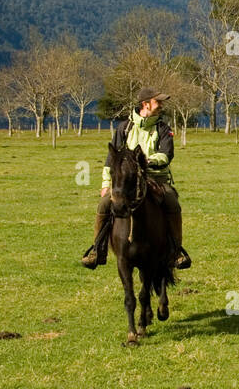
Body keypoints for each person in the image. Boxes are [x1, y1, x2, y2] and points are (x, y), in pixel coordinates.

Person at [80, 87, 192, 269]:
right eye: (158, 102)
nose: (161, 105)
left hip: (156, 178)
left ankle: (175, 251)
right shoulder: (124, 128)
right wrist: (106, 184)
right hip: (127, 182)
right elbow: (112, 159)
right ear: (145, 104)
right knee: (104, 204)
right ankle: (97, 250)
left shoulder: (163, 129)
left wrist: (150, 161)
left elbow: (167, 154)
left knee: (172, 201)